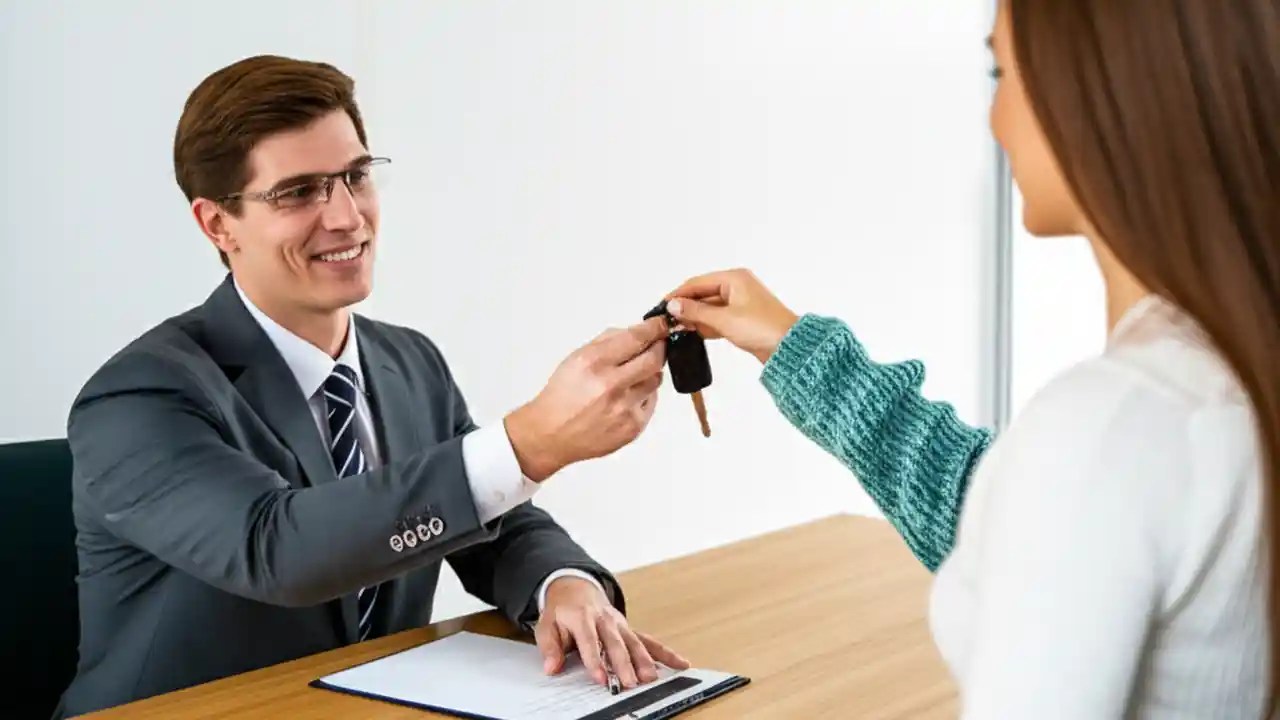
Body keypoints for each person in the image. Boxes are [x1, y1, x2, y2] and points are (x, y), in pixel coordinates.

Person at [663, 0, 1277, 717]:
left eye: (1002, 72)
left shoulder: (1105, 428)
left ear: (1095, 93)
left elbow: (1059, 506)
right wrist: (798, 349)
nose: (995, 120)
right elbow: (1029, 533)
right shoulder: (1223, 376)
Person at [56, 55, 687, 718]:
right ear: (218, 224)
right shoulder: (136, 399)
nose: (347, 217)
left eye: (356, 176)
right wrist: (530, 442)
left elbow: (489, 518)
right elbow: (278, 551)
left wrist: (562, 584)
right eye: (299, 192)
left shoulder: (408, 361)